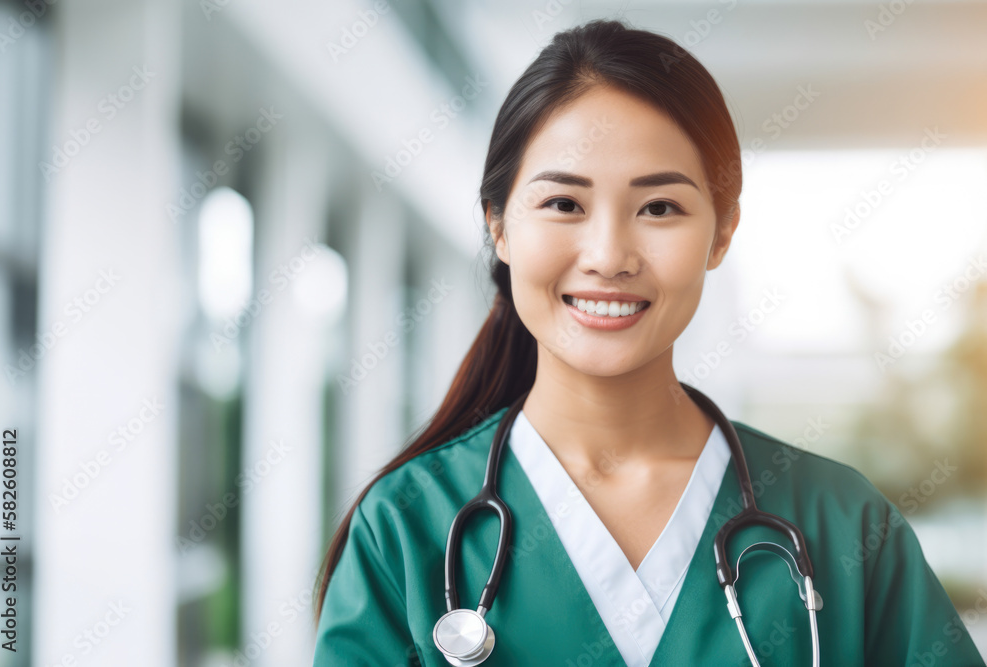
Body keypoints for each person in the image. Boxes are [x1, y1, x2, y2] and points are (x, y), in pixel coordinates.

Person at [311, 17, 986, 667]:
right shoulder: (405, 528)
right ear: (499, 226)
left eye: (659, 207)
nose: (608, 255)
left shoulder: (844, 525)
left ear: (721, 233)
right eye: (564, 204)